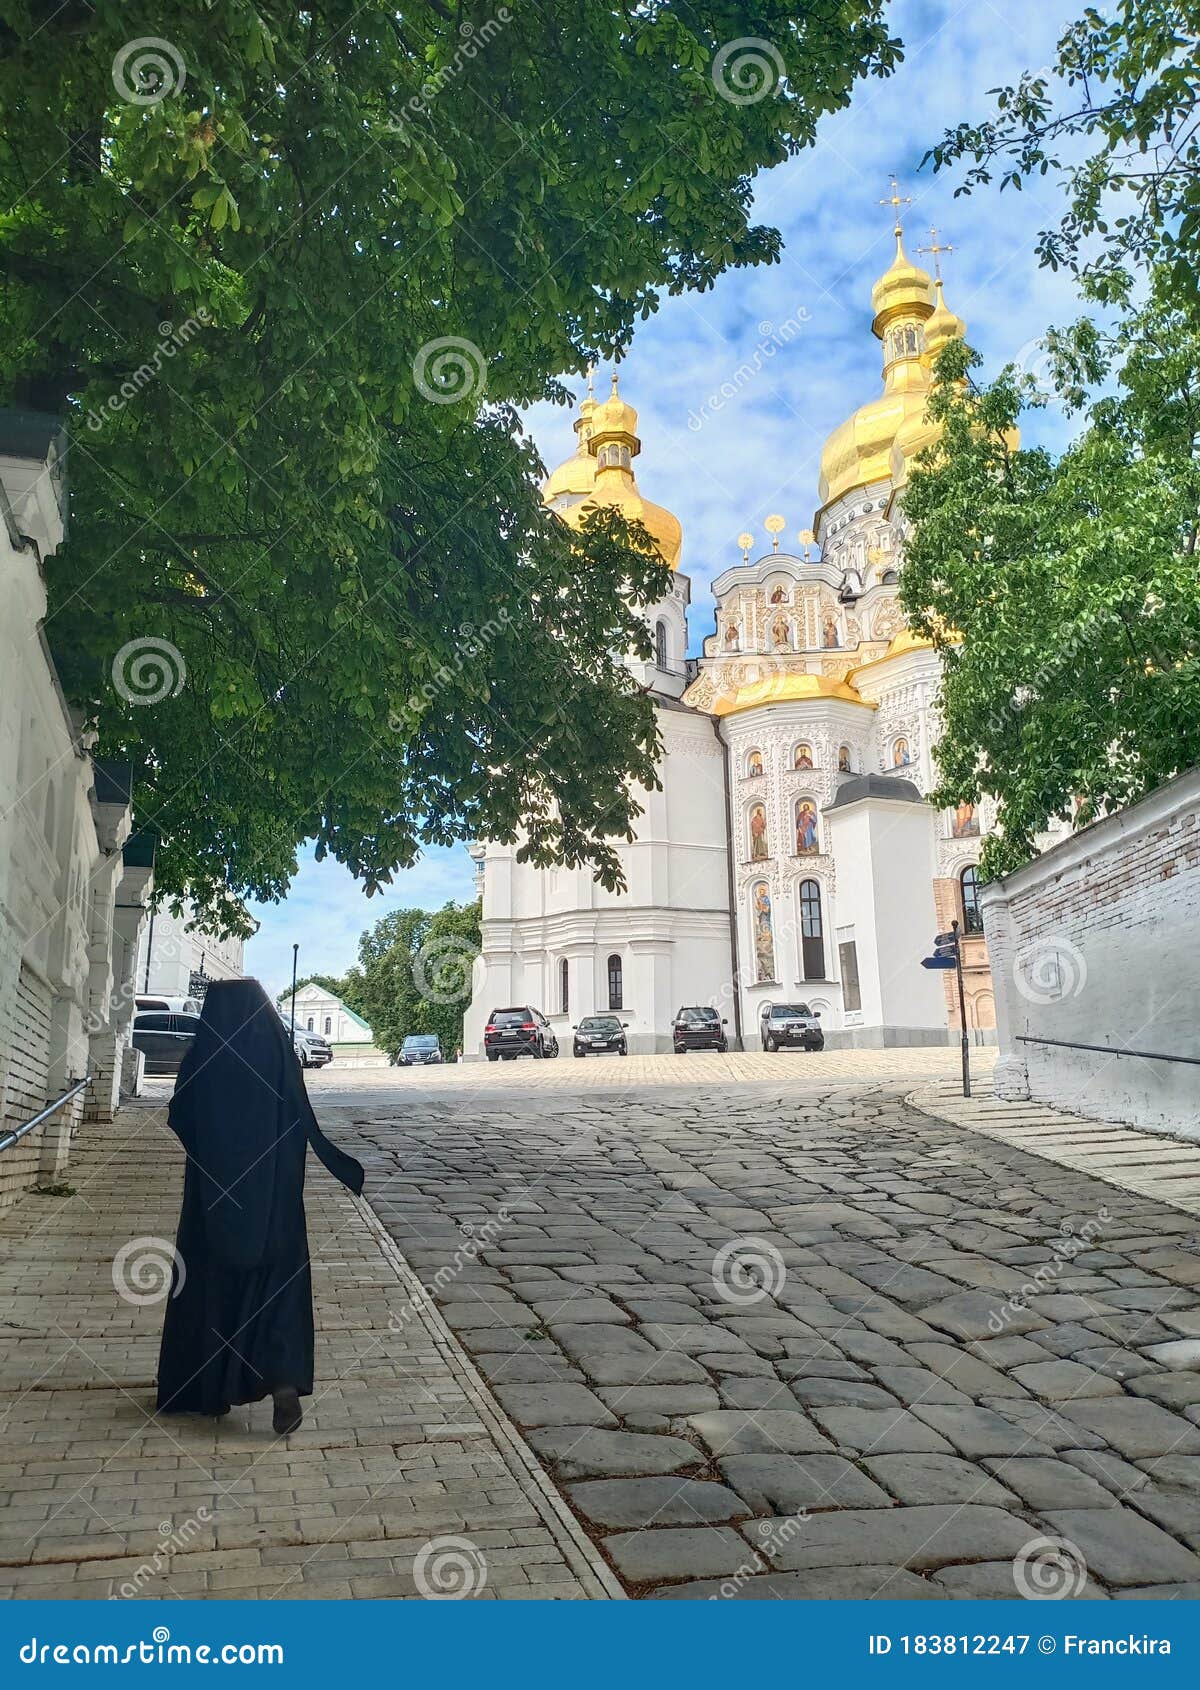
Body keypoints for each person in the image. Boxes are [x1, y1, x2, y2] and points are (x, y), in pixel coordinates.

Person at [156, 977, 364, 1434]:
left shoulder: (205, 1056)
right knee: (278, 1288)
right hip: (274, 1199)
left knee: (209, 1287)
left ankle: (205, 1388)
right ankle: (284, 1381)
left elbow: (180, 1115)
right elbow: (299, 1119)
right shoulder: (278, 1054)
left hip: (213, 1199)